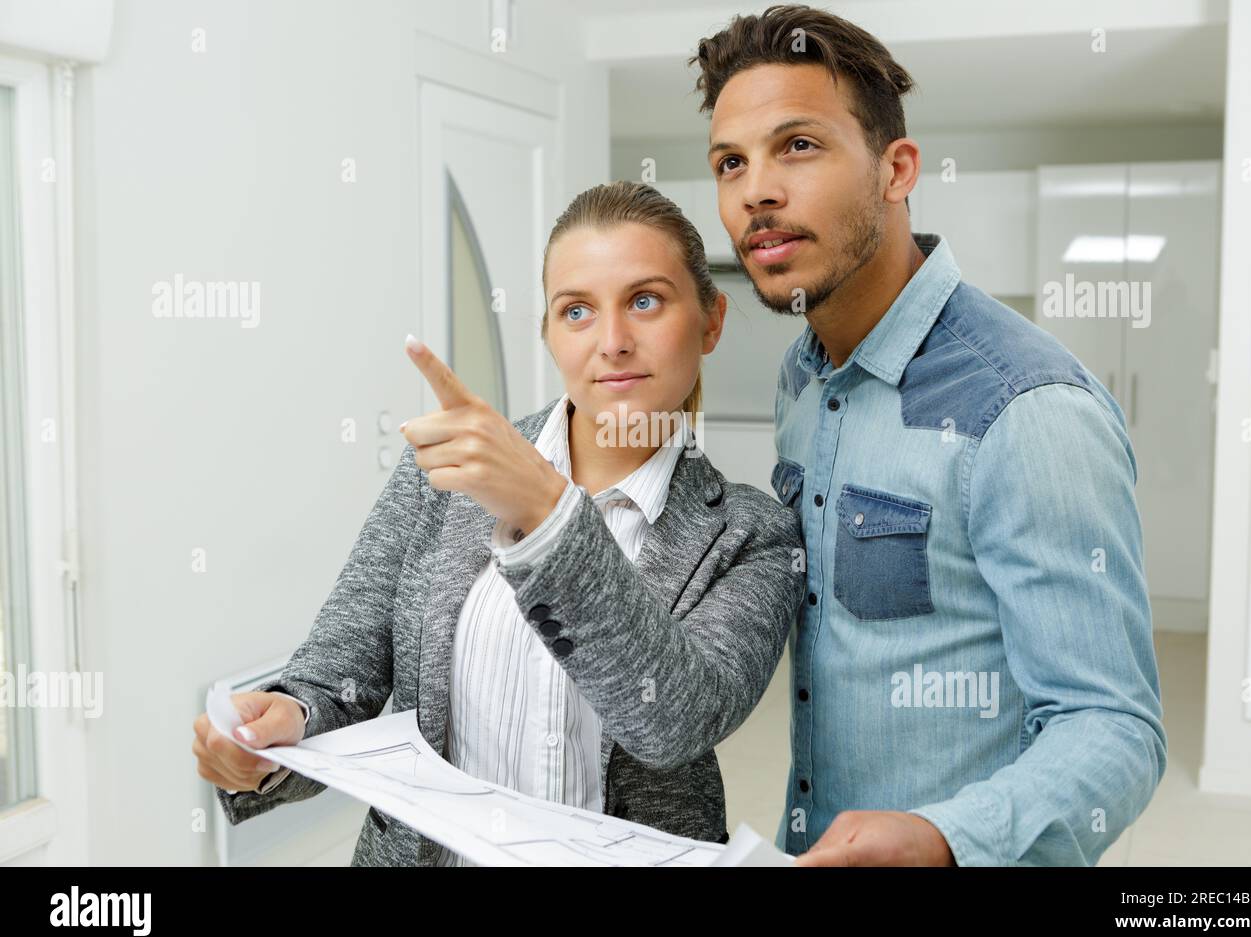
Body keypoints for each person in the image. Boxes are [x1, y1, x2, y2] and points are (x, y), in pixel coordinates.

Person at [191, 180, 806, 865]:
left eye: (645, 301)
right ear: (548, 333)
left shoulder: (755, 536)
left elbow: (672, 723)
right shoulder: (444, 476)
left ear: (711, 320)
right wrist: (281, 730)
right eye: (576, 311)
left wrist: (548, 514)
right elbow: (340, 676)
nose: (613, 342)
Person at [689, 4, 1167, 865]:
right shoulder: (802, 375)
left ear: (896, 168)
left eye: (798, 145)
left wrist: (950, 838)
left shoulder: (1025, 407)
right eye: (731, 162)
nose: (756, 188)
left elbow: (1112, 726)